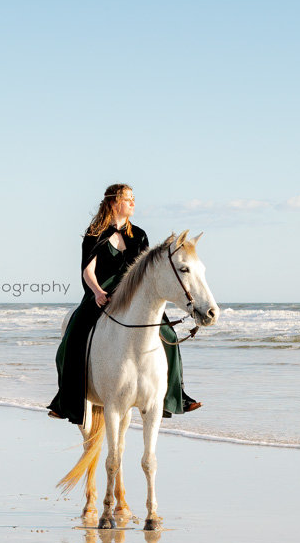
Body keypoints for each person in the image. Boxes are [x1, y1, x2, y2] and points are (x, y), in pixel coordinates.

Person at [47, 183, 200, 426]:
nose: (133, 202)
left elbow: (147, 271)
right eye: (128, 198)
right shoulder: (95, 233)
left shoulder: (138, 234)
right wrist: (97, 292)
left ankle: (177, 395)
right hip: (102, 292)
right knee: (73, 336)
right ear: (113, 202)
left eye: (133, 198)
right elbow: (88, 270)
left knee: (168, 332)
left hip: (133, 296)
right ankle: (64, 400)